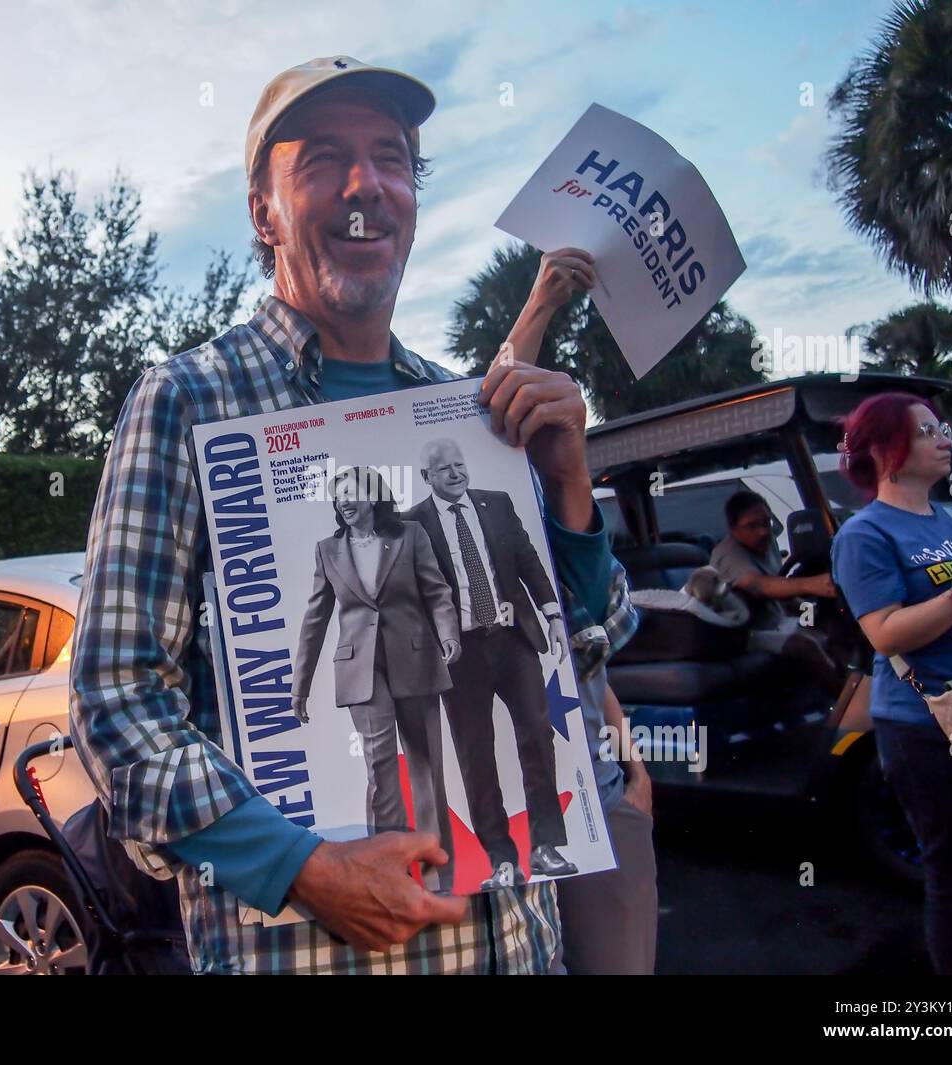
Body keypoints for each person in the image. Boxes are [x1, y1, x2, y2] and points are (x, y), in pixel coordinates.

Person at [69, 53, 614, 974]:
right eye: (322, 159)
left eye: (391, 158)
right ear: (263, 210)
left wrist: (568, 491)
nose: (366, 184)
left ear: (412, 198)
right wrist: (304, 867)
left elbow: (585, 640)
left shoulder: (472, 411)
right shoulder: (187, 400)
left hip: (515, 946)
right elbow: (116, 701)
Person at [830, 392, 952, 975]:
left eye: (943, 427)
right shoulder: (863, 535)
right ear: (884, 450)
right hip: (929, 723)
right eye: (928, 431)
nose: (944, 438)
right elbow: (884, 634)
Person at [406, 438, 578, 888]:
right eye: (444, 469)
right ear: (427, 477)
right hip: (459, 654)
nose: (456, 474)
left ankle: (545, 847)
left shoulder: (497, 505)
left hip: (514, 639)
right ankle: (501, 859)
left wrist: (554, 615)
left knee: (538, 735)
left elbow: (528, 561)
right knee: (476, 755)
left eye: (460, 465)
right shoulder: (412, 525)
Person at [290, 465, 460, 891]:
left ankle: (438, 869)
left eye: (353, 493)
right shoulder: (327, 550)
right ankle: (389, 868)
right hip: (360, 670)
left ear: (373, 496)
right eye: (338, 496)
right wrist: (301, 684)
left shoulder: (409, 535)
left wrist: (448, 634)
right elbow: (315, 619)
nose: (345, 502)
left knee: (425, 766)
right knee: (380, 768)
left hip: (416, 660)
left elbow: (437, 592)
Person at [711, 489, 840, 694]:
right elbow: (759, 585)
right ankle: (846, 703)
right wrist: (811, 584)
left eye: (766, 522)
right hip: (746, 633)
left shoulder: (766, 542)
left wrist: (811, 610)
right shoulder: (729, 554)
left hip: (776, 620)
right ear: (733, 529)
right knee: (804, 644)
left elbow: (779, 589)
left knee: (832, 630)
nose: (762, 531)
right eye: (752, 526)